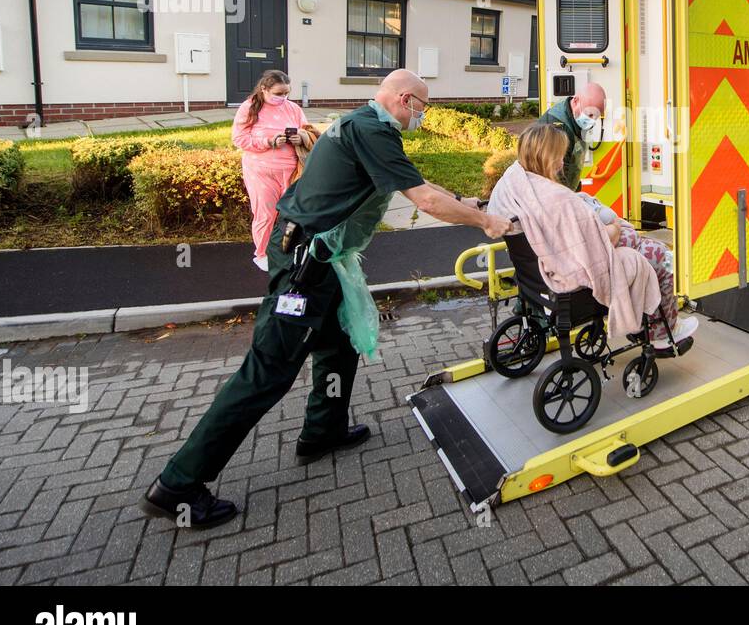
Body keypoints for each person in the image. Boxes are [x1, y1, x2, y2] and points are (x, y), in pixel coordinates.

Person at [141, 70, 513, 528]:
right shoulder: (375, 130)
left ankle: (323, 429)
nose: (422, 116)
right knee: (267, 372)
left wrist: (471, 204)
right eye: (422, 107)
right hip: (305, 263)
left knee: (338, 340)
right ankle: (177, 484)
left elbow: (423, 187)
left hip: (320, 255)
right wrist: (486, 225)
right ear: (404, 99)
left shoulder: (363, 123)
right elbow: (425, 202)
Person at [490, 123, 696, 351]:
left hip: (534, 273)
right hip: (583, 270)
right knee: (663, 258)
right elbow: (597, 244)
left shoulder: (516, 184)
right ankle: (660, 332)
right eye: (559, 156)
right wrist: (616, 226)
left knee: (650, 248)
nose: (562, 162)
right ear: (547, 157)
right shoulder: (558, 198)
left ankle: (644, 322)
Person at [231, 70, 306, 271]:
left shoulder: (293, 109)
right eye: (278, 93)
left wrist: (302, 138)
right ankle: (262, 253)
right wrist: (268, 142)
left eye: (286, 93)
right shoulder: (249, 108)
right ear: (264, 89)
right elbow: (239, 139)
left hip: (290, 170)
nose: (283, 98)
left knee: (291, 214)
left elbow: (307, 131)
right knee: (265, 213)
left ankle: (287, 250)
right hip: (260, 170)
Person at [539, 82, 606, 191]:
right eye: (590, 115)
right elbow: (556, 179)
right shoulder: (557, 130)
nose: (592, 120)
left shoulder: (570, 116)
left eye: (596, 117)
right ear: (575, 101)